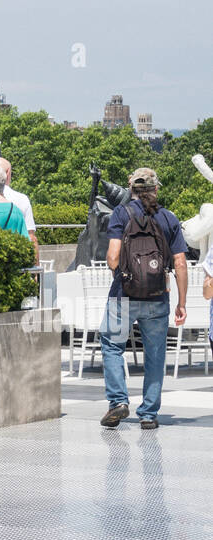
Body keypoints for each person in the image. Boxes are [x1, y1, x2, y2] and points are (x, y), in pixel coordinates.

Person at [100, 168, 187, 431]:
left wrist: (126, 278)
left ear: (131, 189)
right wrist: (182, 303)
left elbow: (113, 257)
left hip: (123, 295)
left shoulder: (121, 213)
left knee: (112, 345)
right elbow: (180, 263)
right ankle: (148, 414)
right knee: (155, 355)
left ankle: (118, 402)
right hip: (158, 297)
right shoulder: (169, 218)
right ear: (155, 189)